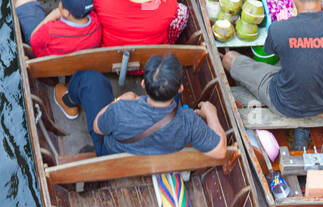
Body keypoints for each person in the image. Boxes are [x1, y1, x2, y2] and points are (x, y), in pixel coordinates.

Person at [54, 53, 226, 160]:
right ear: (180, 88)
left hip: (113, 157)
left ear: (143, 83)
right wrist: (211, 113)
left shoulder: (121, 110)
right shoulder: (189, 121)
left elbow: (98, 127)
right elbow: (219, 152)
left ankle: (68, 101)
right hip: (158, 159)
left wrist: (120, 100)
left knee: (91, 80)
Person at [14, 0, 102, 58]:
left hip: (48, 60)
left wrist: (52, 15)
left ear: (66, 12)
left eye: (61, 1)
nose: (59, 2)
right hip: (76, 57)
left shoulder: (50, 30)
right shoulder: (96, 21)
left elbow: (33, 39)